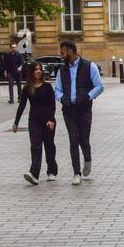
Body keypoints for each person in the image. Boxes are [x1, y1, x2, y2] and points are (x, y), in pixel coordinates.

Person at [52, 39, 103, 186]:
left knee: (83, 140)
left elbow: (99, 86)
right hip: (69, 110)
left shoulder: (89, 66)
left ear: (71, 51)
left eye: (63, 53)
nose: (61, 56)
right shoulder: (62, 70)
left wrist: (88, 96)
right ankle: (76, 173)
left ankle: (87, 158)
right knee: (73, 139)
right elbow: (58, 89)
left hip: (84, 109)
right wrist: (62, 98)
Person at [12, 62, 58, 186]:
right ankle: (34, 174)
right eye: (36, 69)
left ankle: (52, 171)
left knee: (49, 146)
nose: (38, 71)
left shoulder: (47, 87)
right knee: (35, 146)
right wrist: (16, 122)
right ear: (31, 72)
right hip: (34, 121)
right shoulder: (27, 88)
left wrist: (51, 119)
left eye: (40, 69)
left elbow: (52, 105)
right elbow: (22, 106)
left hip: (48, 120)